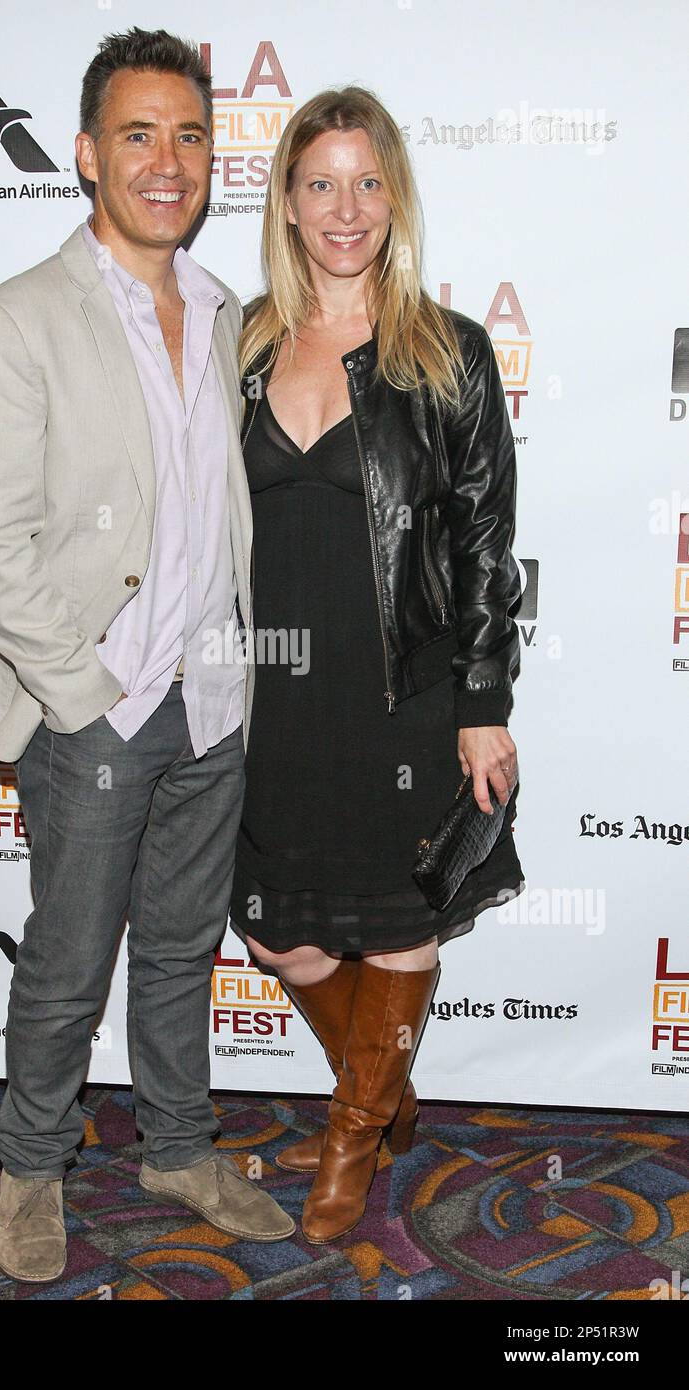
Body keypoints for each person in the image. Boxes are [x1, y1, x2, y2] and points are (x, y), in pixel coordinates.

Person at [0, 27, 294, 1284]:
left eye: (190, 135)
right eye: (138, 134)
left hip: (210, 703)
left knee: (182, 949)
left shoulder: (223, 312)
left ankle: (176, 1148)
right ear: (87, 155)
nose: (167, 159)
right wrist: (81, 697)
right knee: (66, 959)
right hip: (92, 700)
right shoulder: (23, 319)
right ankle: (30, 1171)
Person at [230, 85, 526, 1244]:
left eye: (365, 181)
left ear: (393, 193)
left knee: (399, 921)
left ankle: (353, 1131)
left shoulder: (443, 351)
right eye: (318, 183)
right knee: (277, 929)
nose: (343, 207)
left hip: (404, 692)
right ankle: (380, 1088)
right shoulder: (245, 342)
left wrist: (483, 704)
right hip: (269, 690)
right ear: (288, 204)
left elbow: (485, 542)